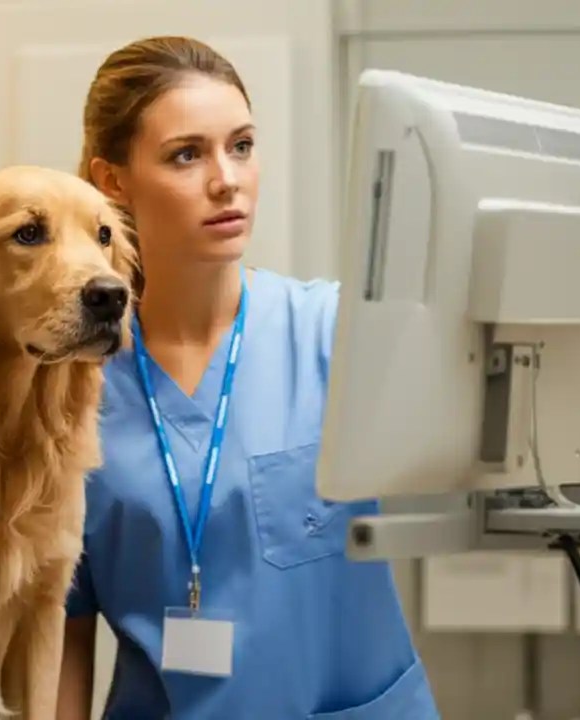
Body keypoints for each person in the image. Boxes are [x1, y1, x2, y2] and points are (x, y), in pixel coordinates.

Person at [57, 36, 440, 719]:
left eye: (241, 146)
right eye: (186, 154)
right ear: (112, 180)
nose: (226, 179)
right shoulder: (73, 393)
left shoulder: (340, 333)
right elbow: (63, 636)